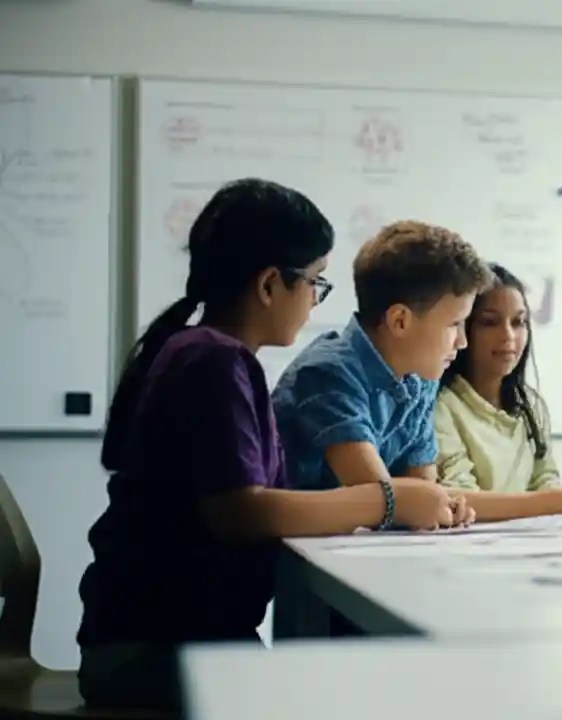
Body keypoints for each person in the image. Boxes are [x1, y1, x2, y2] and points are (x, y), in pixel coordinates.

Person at [76, 179, 462, 711]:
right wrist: (390, 499)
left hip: (175, 637)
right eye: (314, 283)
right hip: (154, 650)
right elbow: (241, 511)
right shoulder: (213, 360)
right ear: (268, 285)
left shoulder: (211, 353)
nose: (314, 301)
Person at [272, 221, 562, 521]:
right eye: (455, 324)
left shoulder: (418, 379)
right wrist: (549, 503)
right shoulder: (329, 376)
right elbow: (387, 502)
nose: (463, 341)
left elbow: (425, 493)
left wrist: (444, 506)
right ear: (400, 321)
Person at [435, 263, 562, 493]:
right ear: (464, 328)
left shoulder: (530, 405)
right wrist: (543, 505)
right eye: (490, 322)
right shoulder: (442, 406)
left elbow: (546, 479)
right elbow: (461, 494)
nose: (508, 336)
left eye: (518, 322)